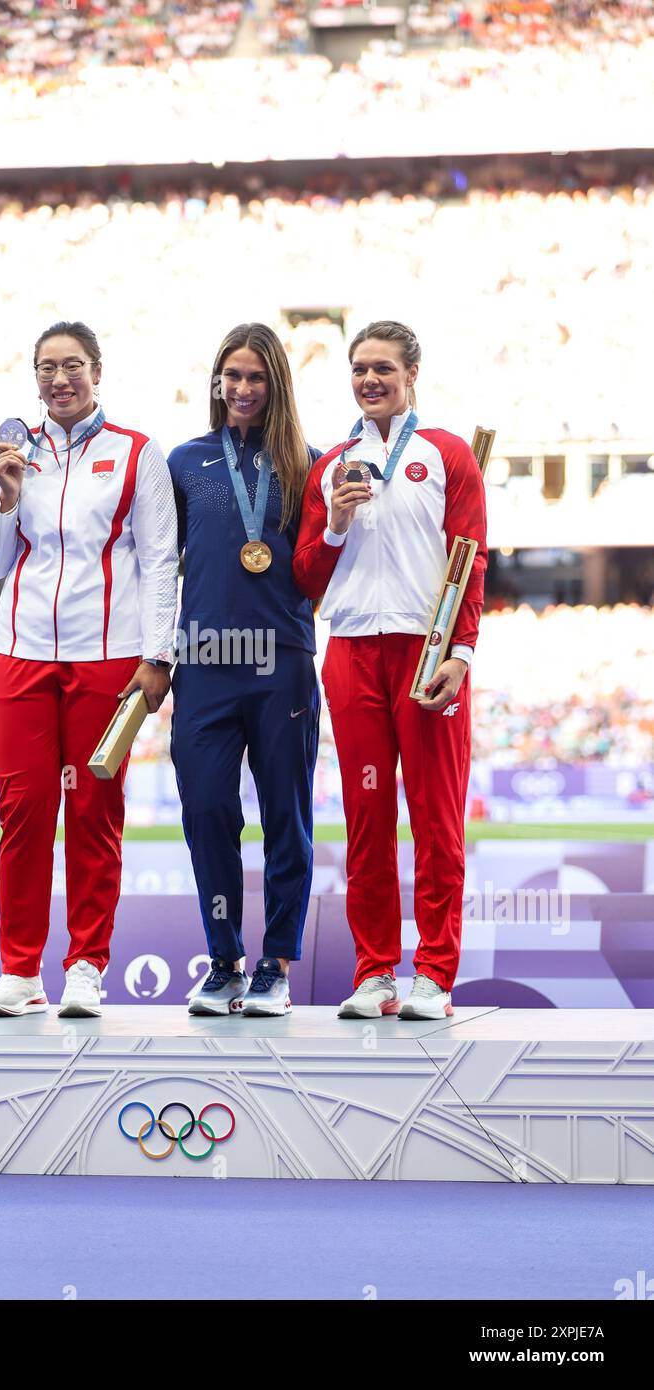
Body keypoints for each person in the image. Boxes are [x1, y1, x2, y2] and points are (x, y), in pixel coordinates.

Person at [0, 320, 178, 1018]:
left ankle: (86, 967)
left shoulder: (136, 453)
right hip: (20, 653)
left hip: (106, 655)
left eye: (73, 365)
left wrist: (158, 655)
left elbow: (159, 562)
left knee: (94, 810)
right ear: (35, 377)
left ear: (97, 370)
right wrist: (3, 497)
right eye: (47, 367)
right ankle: (20, 970)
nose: (60, 379)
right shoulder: (10, 453)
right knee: (23, 811)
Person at [292, 320, 487, 1021]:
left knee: (436, 822)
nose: (369, 380)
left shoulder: (445, 454)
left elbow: (471, 559)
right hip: (352, 653)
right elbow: (307, 577)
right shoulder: (330, 465)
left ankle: (434, 974)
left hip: (424, 652)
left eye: (382, 368)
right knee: (366, 821)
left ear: (411, 374)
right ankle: (374, 972)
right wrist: (335, 523)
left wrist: (460, 654)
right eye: (358, 369)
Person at [167, 323, 322, 1017]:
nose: (242, 388)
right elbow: (152, 566)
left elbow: (325, 566)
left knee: (284, 817)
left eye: (256, 376)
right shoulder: (183, 462)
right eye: (232, 375)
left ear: (276, 385)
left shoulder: (308, 465)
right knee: (207, 813)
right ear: (216, 381)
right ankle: (224, 957)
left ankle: (276, 963)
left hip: (281, 663)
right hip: (202, 665)